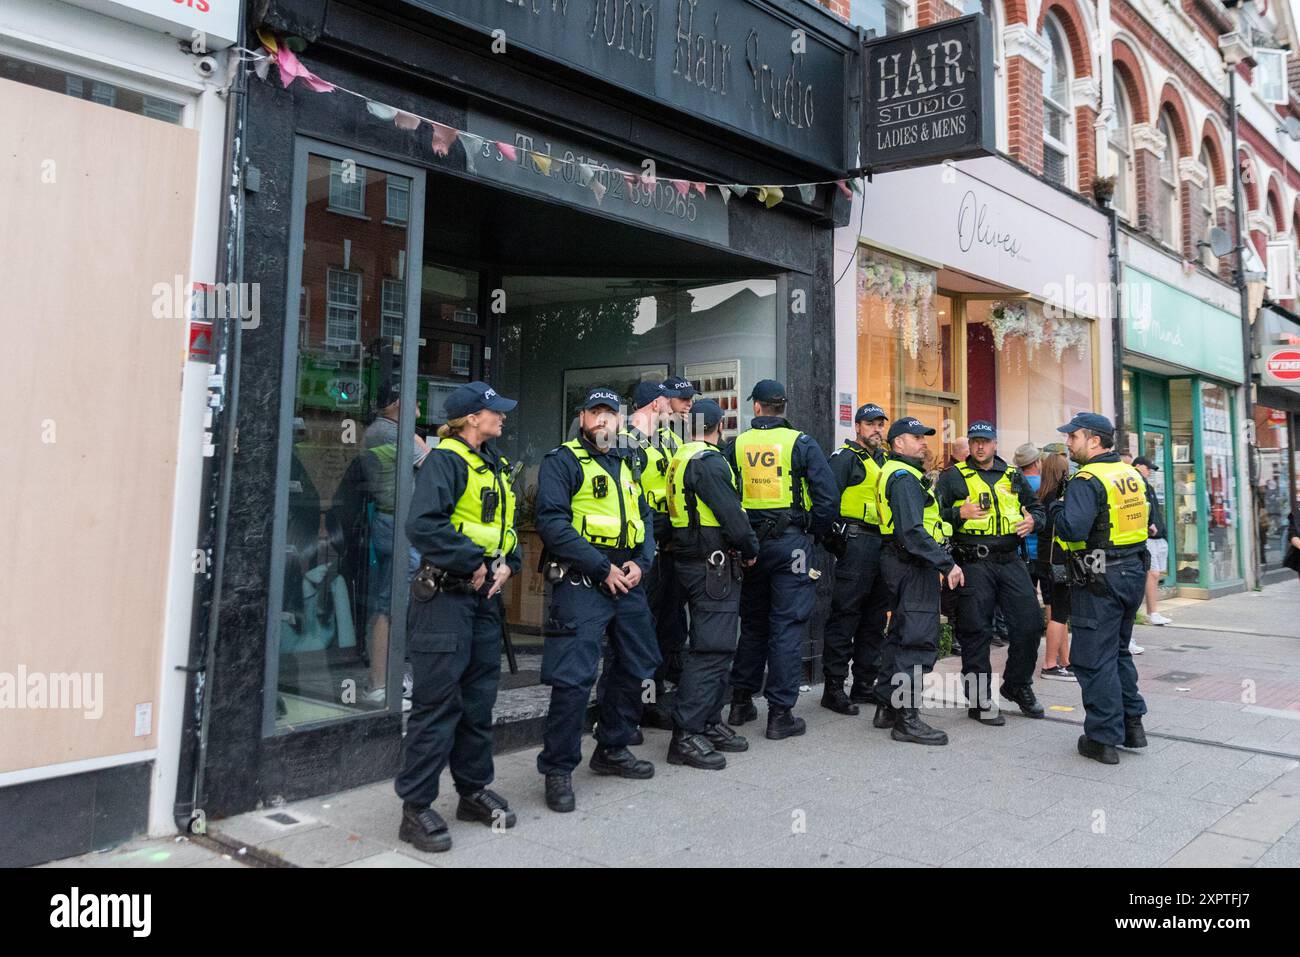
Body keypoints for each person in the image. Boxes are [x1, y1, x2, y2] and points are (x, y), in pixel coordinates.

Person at [395, 381, 521, 853]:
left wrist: (509, 561)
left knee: (477, 702)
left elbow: (503, 530)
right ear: (472, 418)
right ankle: (416, 808)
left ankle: (471, 791)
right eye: (495, 412)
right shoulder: (445, 460)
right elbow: (423, 525)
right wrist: (473, 561)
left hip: (483, 600)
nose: (502, 417)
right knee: (436, 705)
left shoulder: (494, 464)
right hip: (445, 600)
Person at [534, 387, 660, 812]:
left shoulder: (625, 462)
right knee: (573, 678)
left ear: (620, 420)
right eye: (596, 413)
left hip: (628, 577)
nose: (603, 420)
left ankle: (612, 748)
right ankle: (558, 769)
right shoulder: (562, 460)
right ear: (583, 418)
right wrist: (601, 568)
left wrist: (642, 562)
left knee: (635, 663)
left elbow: (644, 517)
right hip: (583, 580)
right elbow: (552, 523)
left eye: (610, 413)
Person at [726, 379, 838, 740]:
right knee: (787, 626)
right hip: (792, 547)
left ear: (756, 407)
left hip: (751, 549)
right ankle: (780, 713)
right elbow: (827, 499)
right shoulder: (801, 443)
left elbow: (726, 497)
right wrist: (812, 530)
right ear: (783, 408)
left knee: (754, 624)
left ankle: (741, 702)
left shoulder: (737, 444)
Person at [1048, 413, 1150, 765]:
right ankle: (1132, 725)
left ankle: (1103, 738)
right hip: (1132, 571)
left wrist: (1057, 507)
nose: (1068, 442)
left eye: (1073, 436)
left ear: (1094, 441)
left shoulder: (1086, 479)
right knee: (1119, 651)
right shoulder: (1130, 474)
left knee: (1093, 658)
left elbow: (1073, 530)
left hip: (1099, 576)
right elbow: (1149, 523)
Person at [663, 399, 760, 769]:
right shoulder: (709, 462)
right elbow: (732, 516)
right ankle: (686, 735)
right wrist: (750, 547)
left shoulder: (679, 458)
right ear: (720, 427)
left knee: (713, 646)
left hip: (688, 560)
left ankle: (708, 722)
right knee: (711, 650)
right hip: (712, 565)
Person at [935, 422, 1046, 724]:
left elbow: (1038, 510)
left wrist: (1034, 522)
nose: (980, 447)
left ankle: (1017, 685)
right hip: (973, 561)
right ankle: (979, 699)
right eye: (975, 442)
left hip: (1010, 561)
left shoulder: (1013, 476)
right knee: (975, 631)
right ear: (969, 446)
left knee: (1030, 624)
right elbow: (930, 516)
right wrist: (958, 513)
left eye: (985, 441)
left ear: (995, 444)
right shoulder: (952, 478)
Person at [871, 417, 963, 745]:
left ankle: (886, 706)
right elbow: (912, 531)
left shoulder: (899, 473)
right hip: (913, 565)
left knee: (898, 637)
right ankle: (907, 719)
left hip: (898, 562)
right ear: (898, 443)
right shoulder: (904, 477)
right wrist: (946, 563)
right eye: (916, 437)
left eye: (924, 437)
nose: (923, 442)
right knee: (917, 640)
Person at [618, 380, 688, 730]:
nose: (670, 403)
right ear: (653, 403)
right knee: (638, 630)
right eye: (664, 398)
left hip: (672, 547)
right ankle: (631, 707)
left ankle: (653, 698)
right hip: (643, 546)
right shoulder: (625, 440)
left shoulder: (673, 438)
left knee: (667, 627)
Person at [820, 403, 893, 715]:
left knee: (875, 619)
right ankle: (833, 687)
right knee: (845, 615)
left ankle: (864, 683)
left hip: (882, 544)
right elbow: (826, 502)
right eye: (870, 424)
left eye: (880, 424)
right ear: (858, 427)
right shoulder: (844, 458)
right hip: (856, 541)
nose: (876, 429)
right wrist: (840, 544)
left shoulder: (885, 460)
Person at [362, 381, 429, 705]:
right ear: (396, 405)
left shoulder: (379, 431)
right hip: (398, 526)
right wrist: (415, 436)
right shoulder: (390, 433)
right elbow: (433, 464)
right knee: (391, 605)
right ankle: (380, 684)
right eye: (413, 405)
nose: (418, 411)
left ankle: (389, 678)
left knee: (391, 602)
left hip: (393, 523)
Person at [1035, 453, 1075, 681]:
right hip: (1057, 562)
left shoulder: (1041, 496)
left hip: (1044, 561)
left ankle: (1065, 660)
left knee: (1055, 612)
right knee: (1059, 614)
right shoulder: (1058, 500)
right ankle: (1050, 664)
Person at [1133, 456, 1171, 634]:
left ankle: (1153, 611)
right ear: (1138, 466)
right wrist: (1148, 525)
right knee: (1152, 573)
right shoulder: (1136, 483)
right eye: (1148, 468)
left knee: (1155, 574)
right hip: (1148, 537)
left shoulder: (1146, 484)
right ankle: (1152, 612)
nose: (1149, 472)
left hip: (1158, 536)